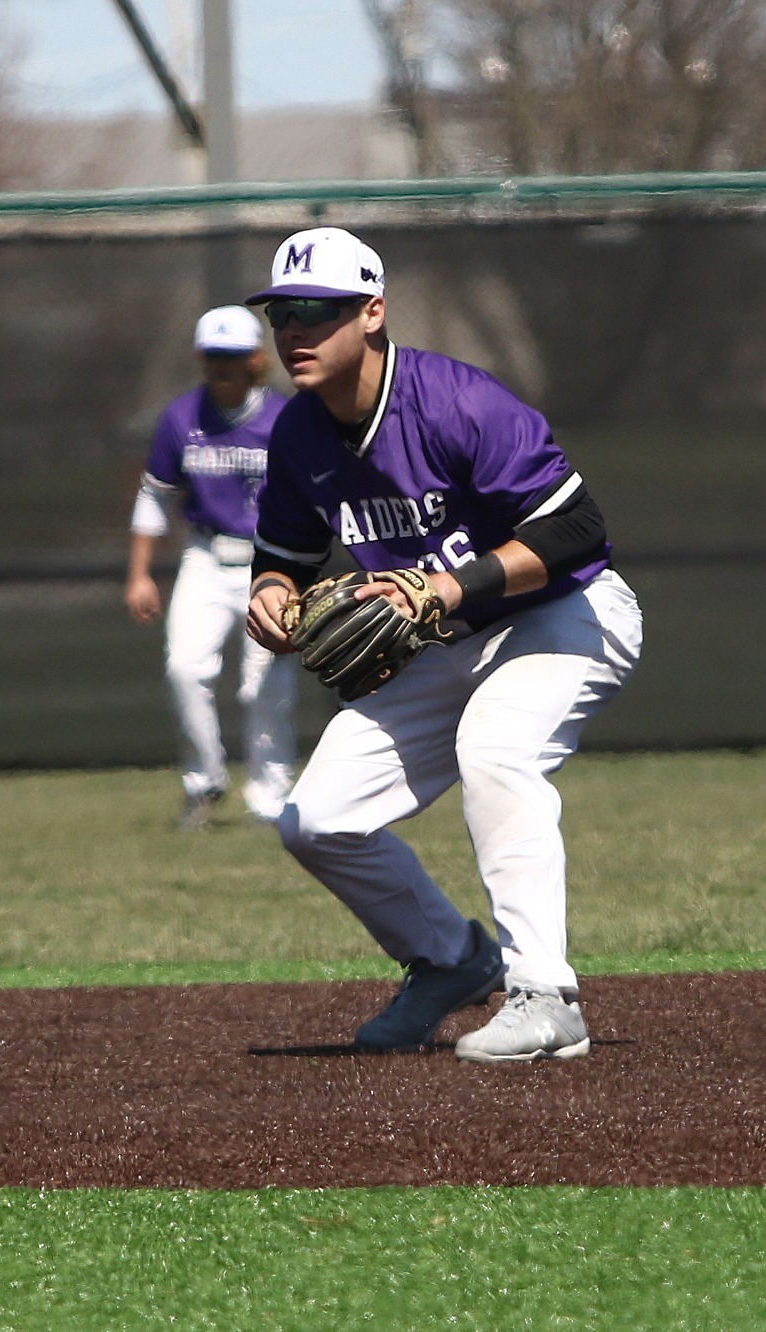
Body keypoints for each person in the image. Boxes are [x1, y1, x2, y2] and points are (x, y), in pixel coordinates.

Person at [243, 227, 643, 1063]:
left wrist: (449, 586)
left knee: (496, 749)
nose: (295, 331)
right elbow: (285, 551)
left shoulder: (457, 401)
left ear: (373, 312)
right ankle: (450, 960)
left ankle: (547, 995)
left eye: (317, 310)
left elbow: (577, 528)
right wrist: (271, 592)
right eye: (282, 314)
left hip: (564, 613)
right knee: (316, 820)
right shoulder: (298, 434)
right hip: (448, 640)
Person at [127, 305, 297, 831]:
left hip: (273, 560)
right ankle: (203, 783)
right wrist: (139, 574)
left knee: (265, 686)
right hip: (204, 557)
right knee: (184, 668)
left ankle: (271, 800)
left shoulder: (285, 418)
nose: (223, 366)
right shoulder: (182, 418)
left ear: (256, 360)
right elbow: (155, 497)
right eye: (213, 355)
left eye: (233, 355)